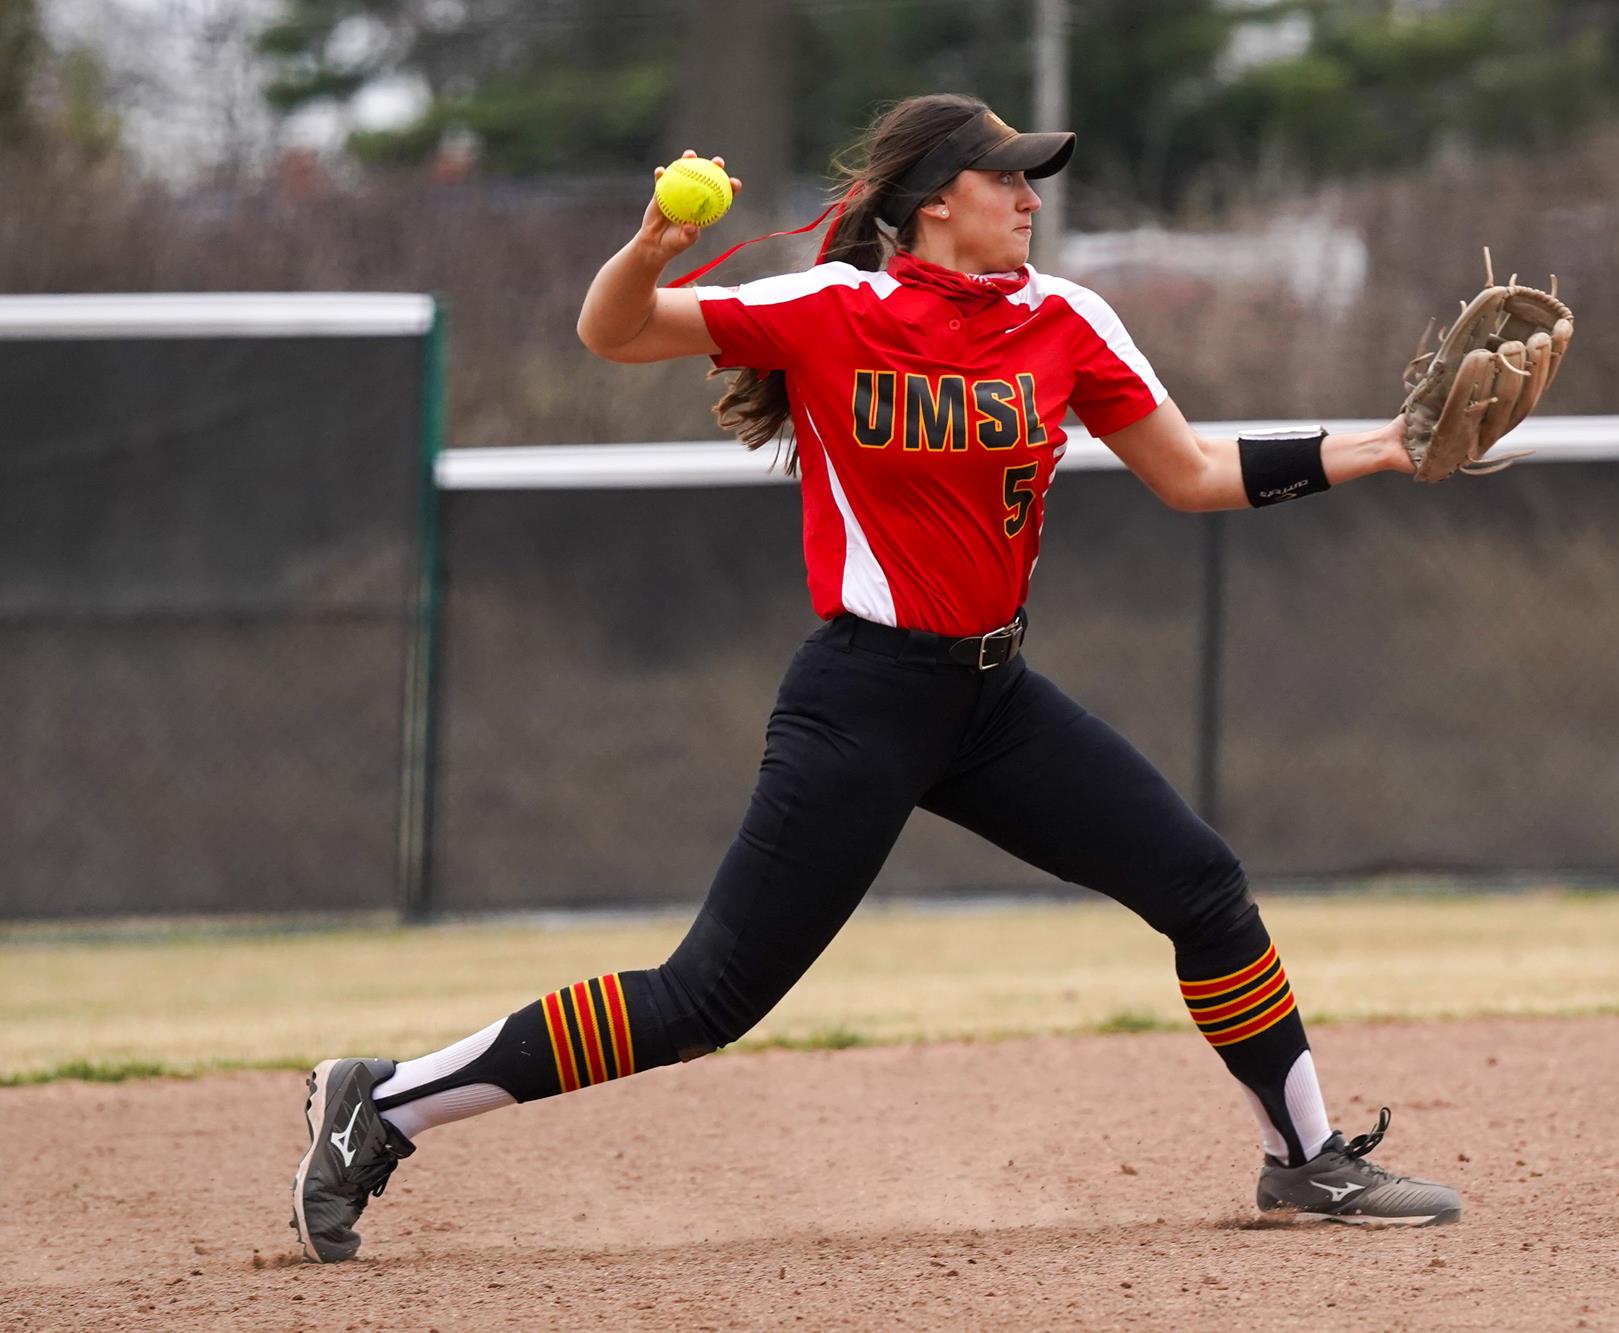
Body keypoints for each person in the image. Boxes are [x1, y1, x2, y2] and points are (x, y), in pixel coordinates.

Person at [290, 93, 1462, 1264]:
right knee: (708, 997)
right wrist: (652, 241)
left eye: (1028, 178)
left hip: (992, 702)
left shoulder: (1065, 318)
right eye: (1004, 177)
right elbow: (618, 332)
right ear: (933, 199)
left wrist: (1386, 445)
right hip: (864, 696)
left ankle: (1307, 1162)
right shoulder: (835, 306)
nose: (1027, 197)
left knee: (1202, 887)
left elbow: (1192, 468)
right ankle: (383, 1102)